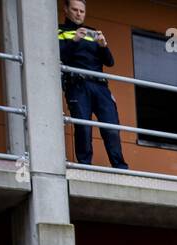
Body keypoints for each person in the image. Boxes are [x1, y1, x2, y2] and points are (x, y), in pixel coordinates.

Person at [58, 0, 127, 170]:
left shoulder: (93, 33)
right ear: (66, 10)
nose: (79, 14)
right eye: (75, 10)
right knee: (84, 127)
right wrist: (74, 40)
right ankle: (85, 166)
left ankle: (120, 168)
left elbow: (109, 62)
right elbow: (60, 56)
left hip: (100, 86)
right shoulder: (60, 31)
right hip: (77, 84)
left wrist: (104, 46)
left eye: (82, 11)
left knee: (111, 127)